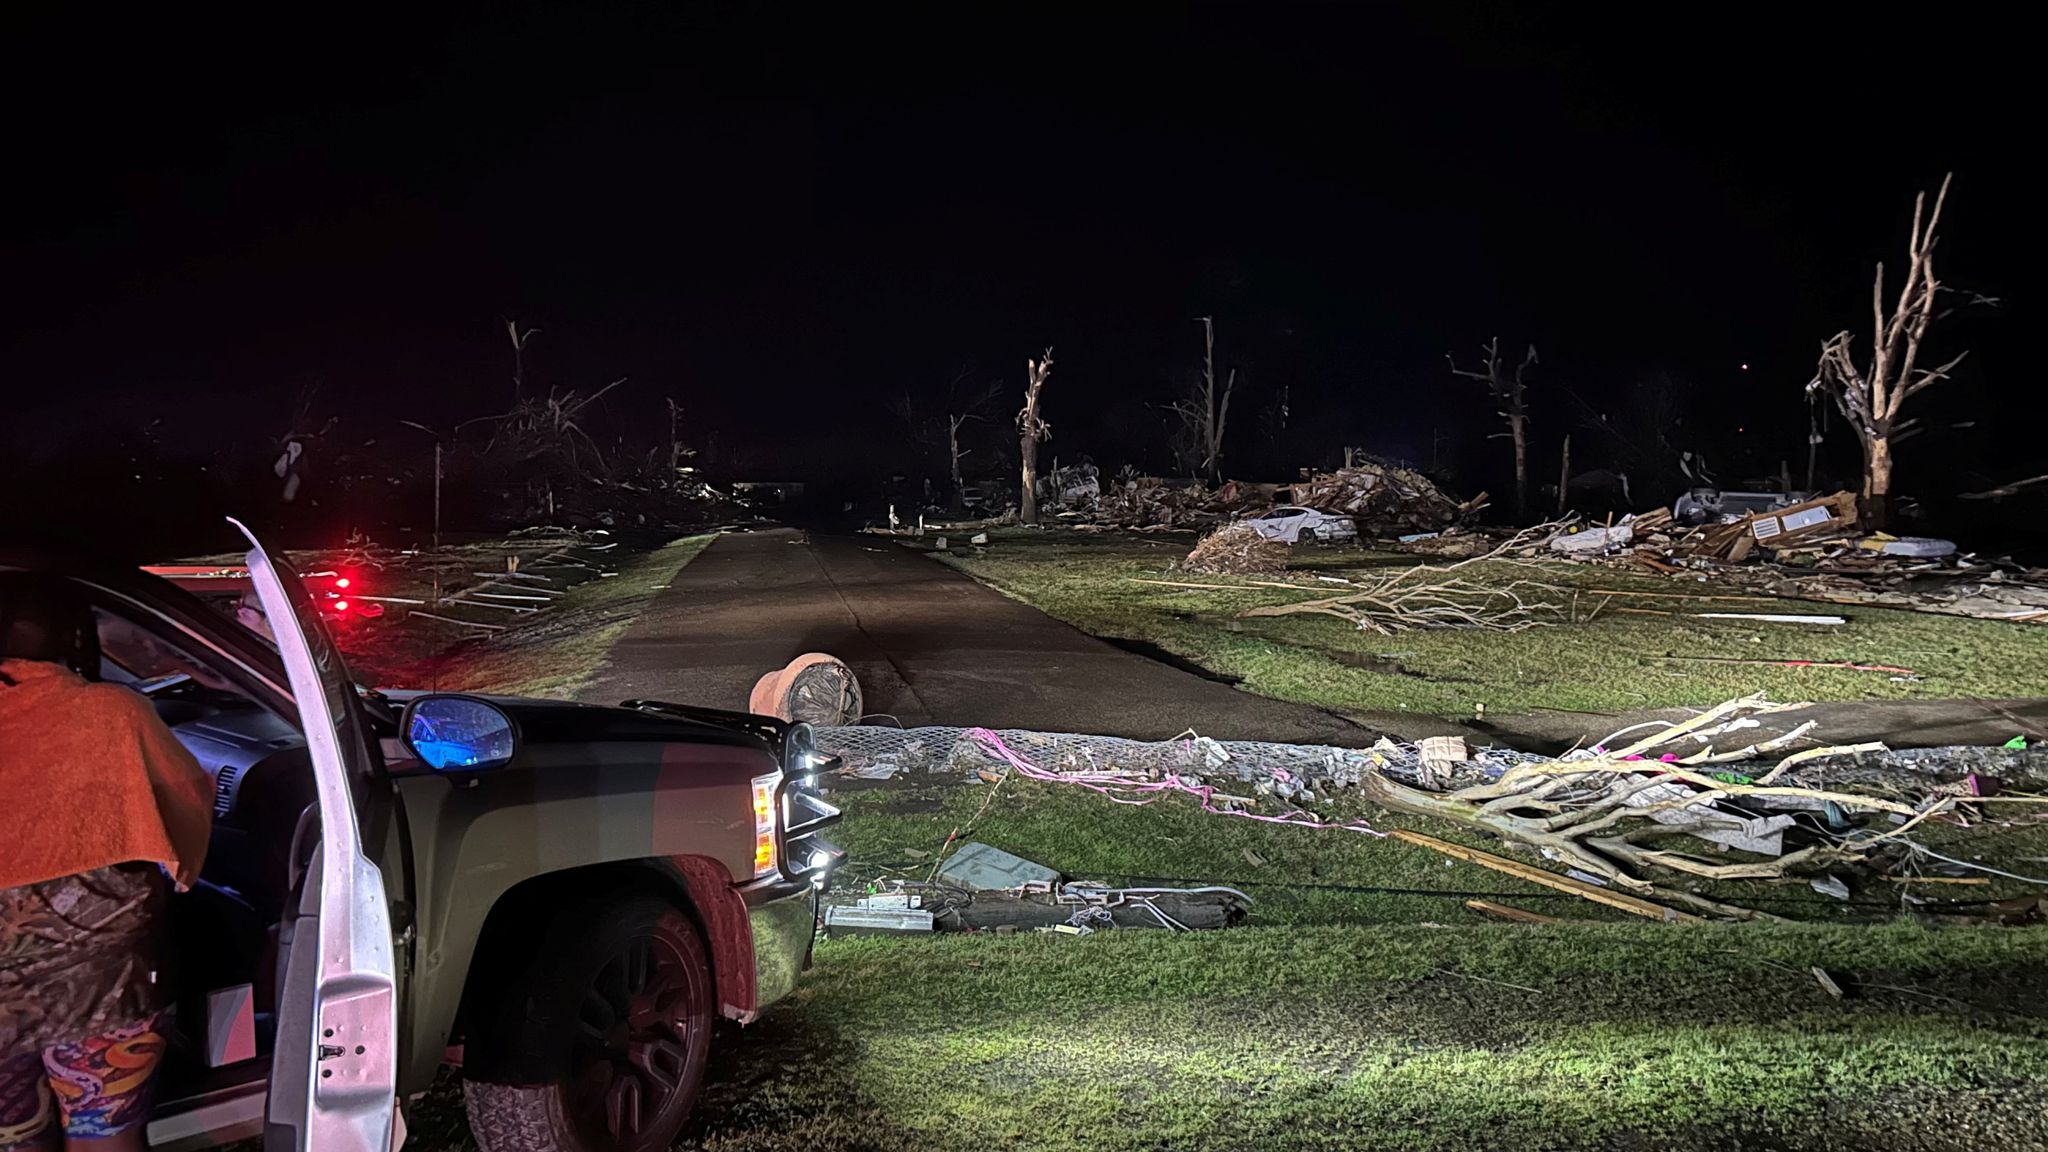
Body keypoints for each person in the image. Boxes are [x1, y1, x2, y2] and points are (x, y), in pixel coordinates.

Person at [0, 573, 213, 1152]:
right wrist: (181, 869)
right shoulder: (113, 712)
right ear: (74, 634)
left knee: (14, 1137)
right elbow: (186, 801)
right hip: (106, 986)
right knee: (107, 1140)